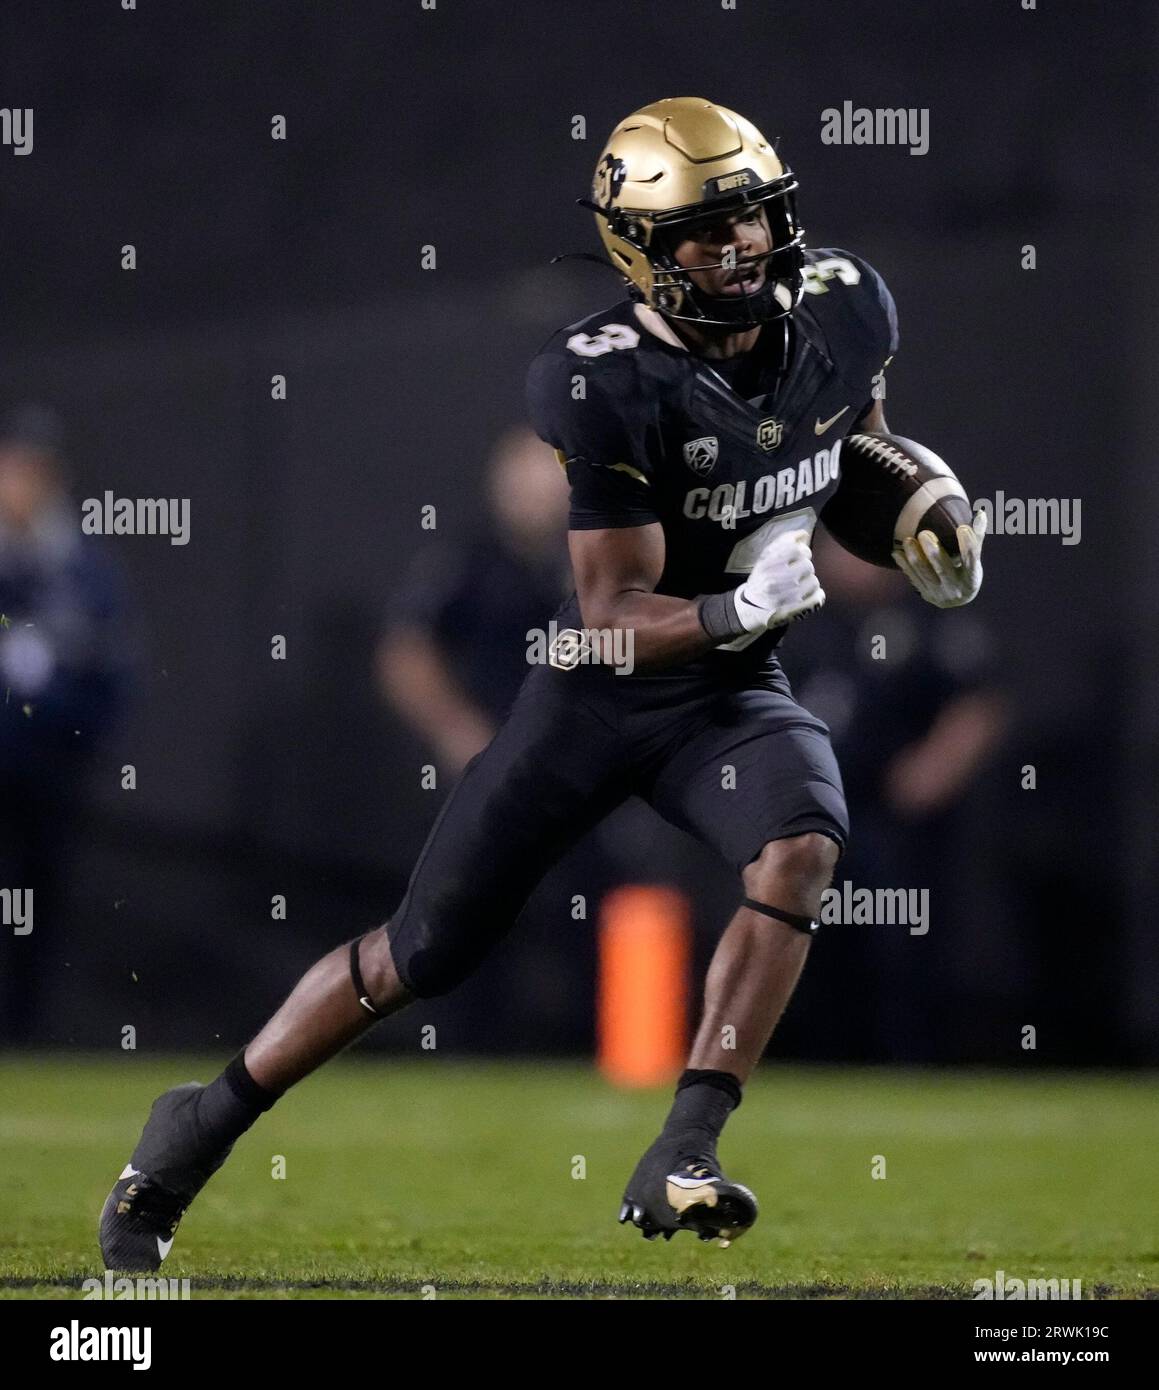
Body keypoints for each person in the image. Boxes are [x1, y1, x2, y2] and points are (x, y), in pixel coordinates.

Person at [99, 97, 986, 1270]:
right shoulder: (597, 378)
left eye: (754, 221)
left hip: (730, 692)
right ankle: (195, 1126)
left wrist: (915, 506)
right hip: (601, 687)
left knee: (803, 847)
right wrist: (737, 605)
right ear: (642, 250)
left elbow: (849, 438)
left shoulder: (841, 304)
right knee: (421, 953)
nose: (742, 250)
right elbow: (614, 614)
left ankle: (684, 1150)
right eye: (706, 234)